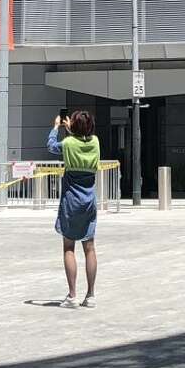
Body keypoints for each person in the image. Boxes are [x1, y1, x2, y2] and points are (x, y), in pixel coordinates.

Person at [47, 109, 101, 308]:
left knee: (69, 247)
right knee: (90, 247)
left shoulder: (68, 143)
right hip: (89, 201)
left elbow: (52, 146)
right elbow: (82, 141)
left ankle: (72, 295)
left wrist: (56, 127)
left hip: (70, 201)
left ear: (72, 127)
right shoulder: (95, 142)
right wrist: (73, 130)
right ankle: (91, 295)